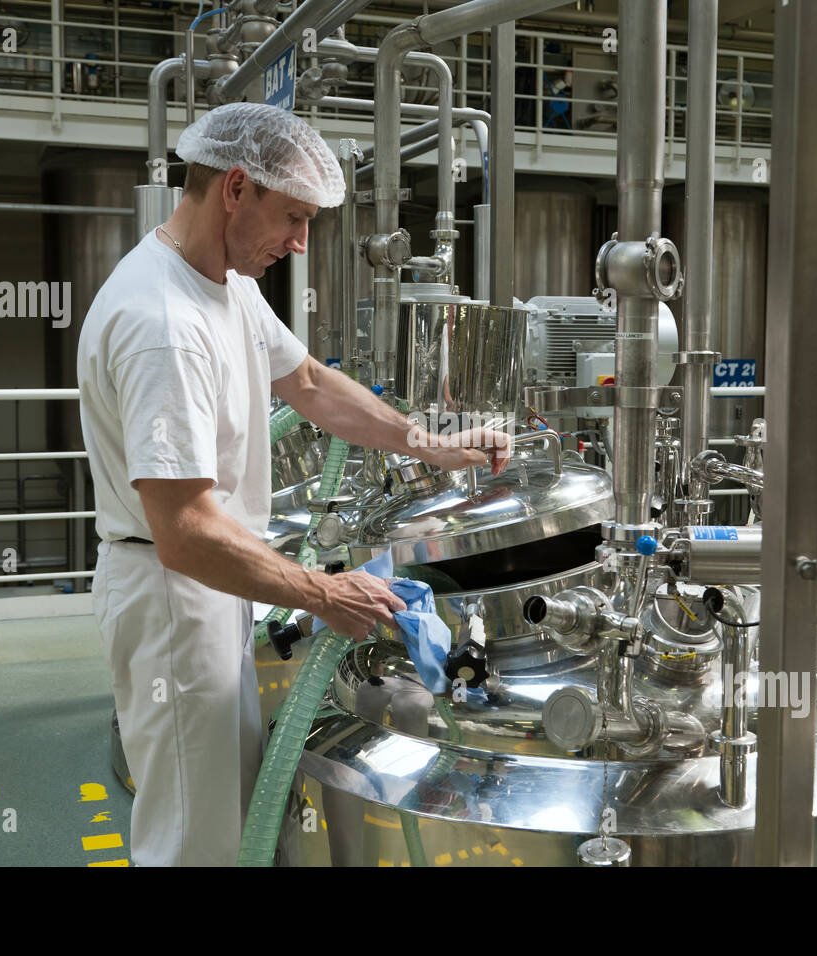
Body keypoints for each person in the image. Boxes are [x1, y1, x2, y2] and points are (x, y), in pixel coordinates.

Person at [76, 102, 509, 866]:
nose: (301, 242)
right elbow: (184, 531)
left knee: (225, 814)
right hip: (175, 594)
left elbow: (309, 383)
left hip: (209, 590)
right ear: (235, 188)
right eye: (295, 218)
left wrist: (432, 446)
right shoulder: (163, 323)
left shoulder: (227, 284)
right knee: (193, 843)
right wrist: (321, 593)